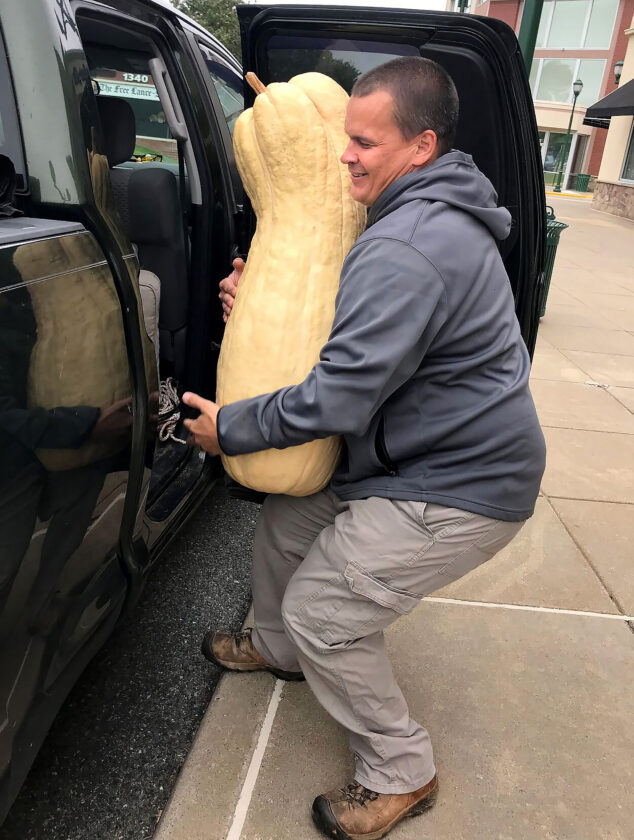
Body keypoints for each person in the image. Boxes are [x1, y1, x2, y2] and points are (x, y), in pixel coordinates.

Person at [183, 56, 546, 840]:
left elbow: (339, 397)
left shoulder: (408, 242)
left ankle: (400, 771)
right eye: (346, 135)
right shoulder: (417, 215)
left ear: (420, 147)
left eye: (364, 143)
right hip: (407, 456)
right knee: (290, 522)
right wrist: (264, 299)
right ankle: (278, 648)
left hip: (455, 487)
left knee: (326, 610)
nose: (344, 153)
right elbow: (356, 326)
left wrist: (231, 429)